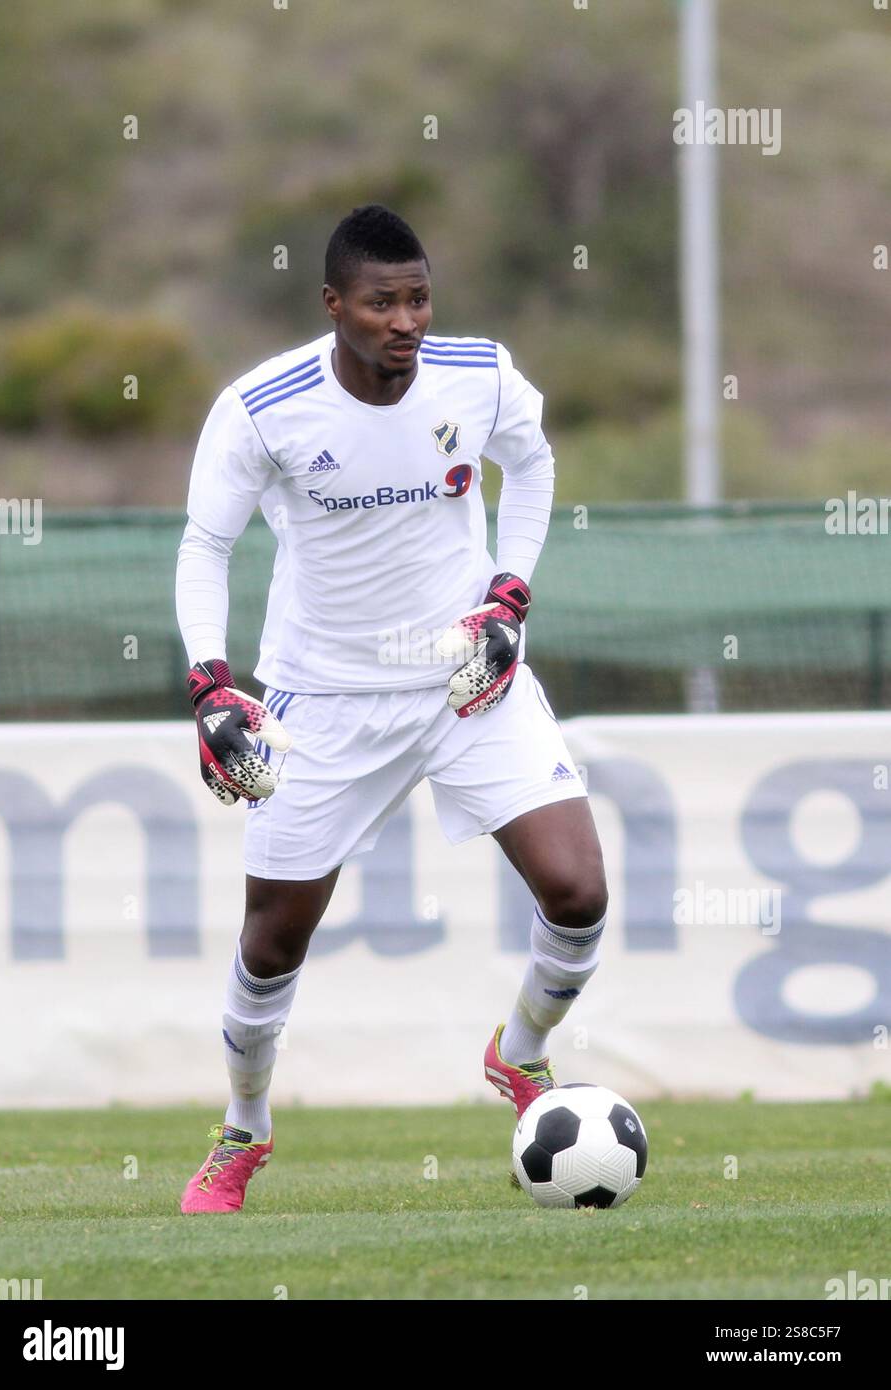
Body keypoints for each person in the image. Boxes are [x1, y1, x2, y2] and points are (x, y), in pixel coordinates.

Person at [175, 203, 607, 1213]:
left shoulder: (481, 373)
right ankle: (244, 1128)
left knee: (578, 891)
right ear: (336, 307)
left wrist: (510, 592)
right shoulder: (262, 406)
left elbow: (533, 465)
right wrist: (208, 682)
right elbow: (205, 546)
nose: (405, 320)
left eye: (418, 298)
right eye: (382, 302)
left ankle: (521, 1054)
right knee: (272, 943)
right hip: (320, 700)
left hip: (467, 679)